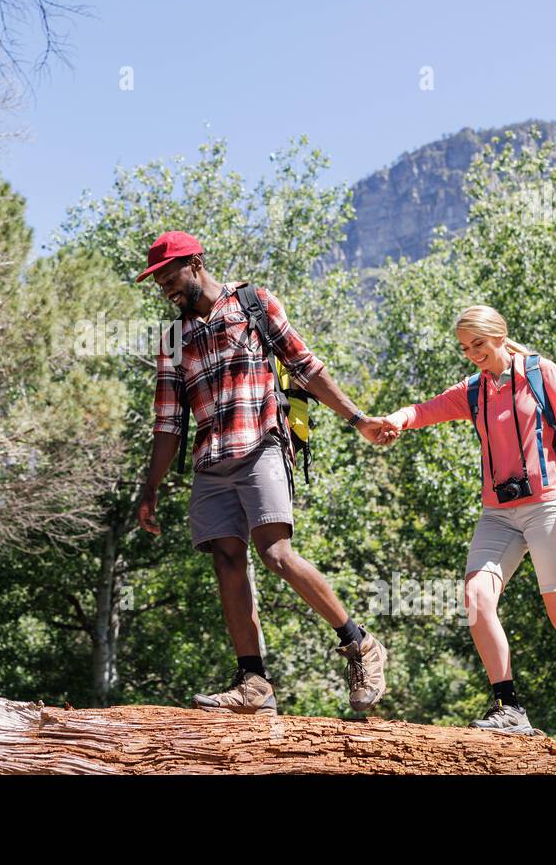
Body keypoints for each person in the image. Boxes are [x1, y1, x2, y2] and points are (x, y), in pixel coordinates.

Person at [133, 230, 399, 716]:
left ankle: (360, 644)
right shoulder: (172, 338)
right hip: (210, 461)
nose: (165, 287)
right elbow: (168, 421)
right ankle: (254, 683)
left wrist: (358, 420)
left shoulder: (252, 303)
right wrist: (149, 487)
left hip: (260, 445)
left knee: (275, 553)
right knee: (226, 562)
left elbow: (305, 366)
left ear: (195, 263)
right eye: (158, 282)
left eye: (170, 275)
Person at [381, 305, 556, 758]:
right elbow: (426, 410)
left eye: (479, 346)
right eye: (465, 349)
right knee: (476, 597)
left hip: (550, 506)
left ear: (500, 337)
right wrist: (396, 420)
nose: (472, 355)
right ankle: (510, 709)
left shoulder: (540, 373)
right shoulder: (473, 391)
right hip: (498, 514)